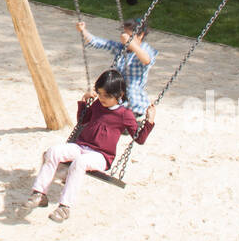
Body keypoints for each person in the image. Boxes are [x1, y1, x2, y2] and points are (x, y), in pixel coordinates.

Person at [23, 70, 155, 223]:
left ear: (119, 95)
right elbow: (82, 120)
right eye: (100, 94)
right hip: (81, 146)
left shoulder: (125, 114)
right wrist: (85, 101)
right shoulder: (98, 104)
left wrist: (149, 121)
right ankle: (39, 194)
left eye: (107, 96)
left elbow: (139, 139)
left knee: (80, 163)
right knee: (53, 151)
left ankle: (65, 207)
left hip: (101, 156)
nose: (102, 98)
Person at [76, 19, 155, 123]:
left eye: (129, 35)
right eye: (124, 34)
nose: (124, 38)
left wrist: (132, 44)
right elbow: (99, 42)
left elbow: (146, 60)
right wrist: (83, 31)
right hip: (118, 98)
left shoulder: (145, 49)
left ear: (140, 35)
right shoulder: (121, 48)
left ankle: (133, 118)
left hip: (134, 101)